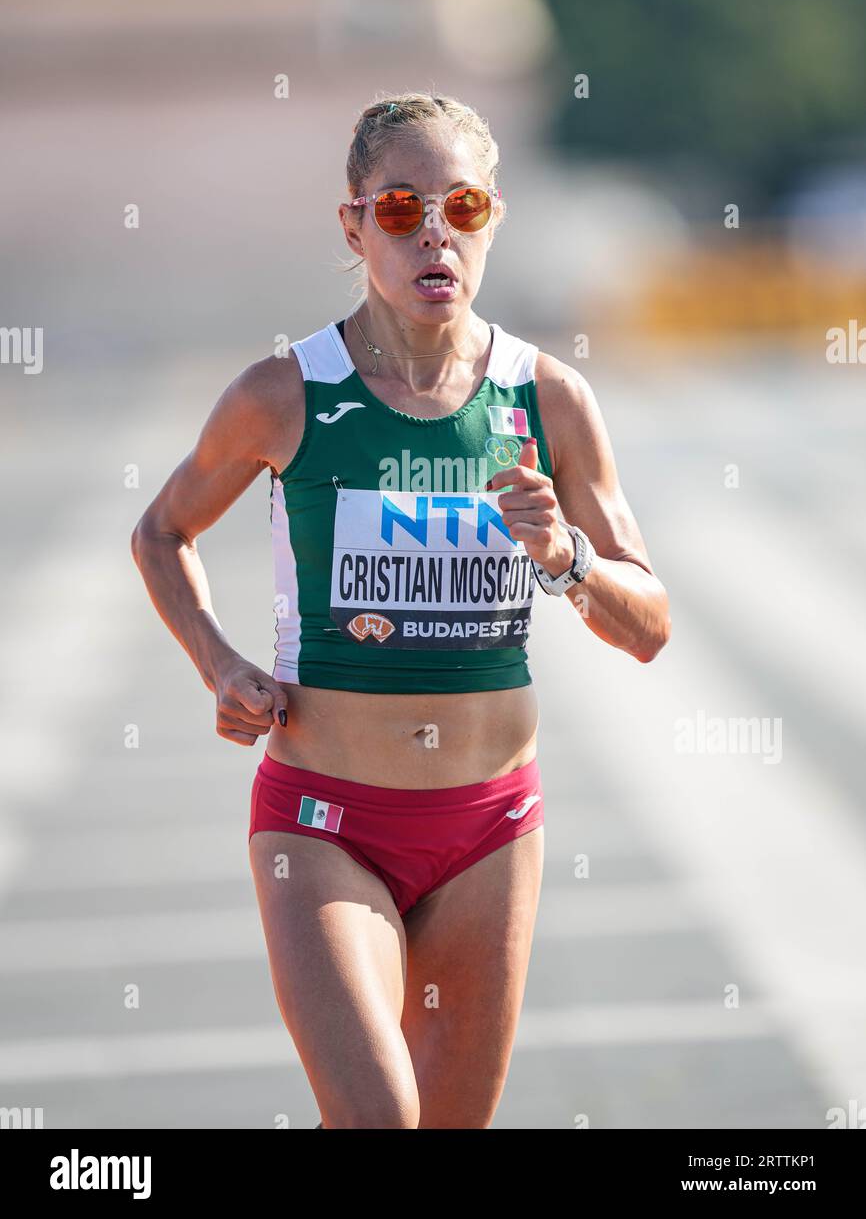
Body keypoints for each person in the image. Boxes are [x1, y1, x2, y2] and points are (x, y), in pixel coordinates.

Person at [131, 91, 671, 1129]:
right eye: (398, 208)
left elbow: (646, 625)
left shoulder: (544, 396)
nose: (433, 230)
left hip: (489, 826)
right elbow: (160, 531)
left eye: (461, 206)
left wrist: (561, 557)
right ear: (352, 224)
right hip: (325, 821)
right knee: (380, 1119)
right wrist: (218, 663)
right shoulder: (284, 392)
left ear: (492, 219)